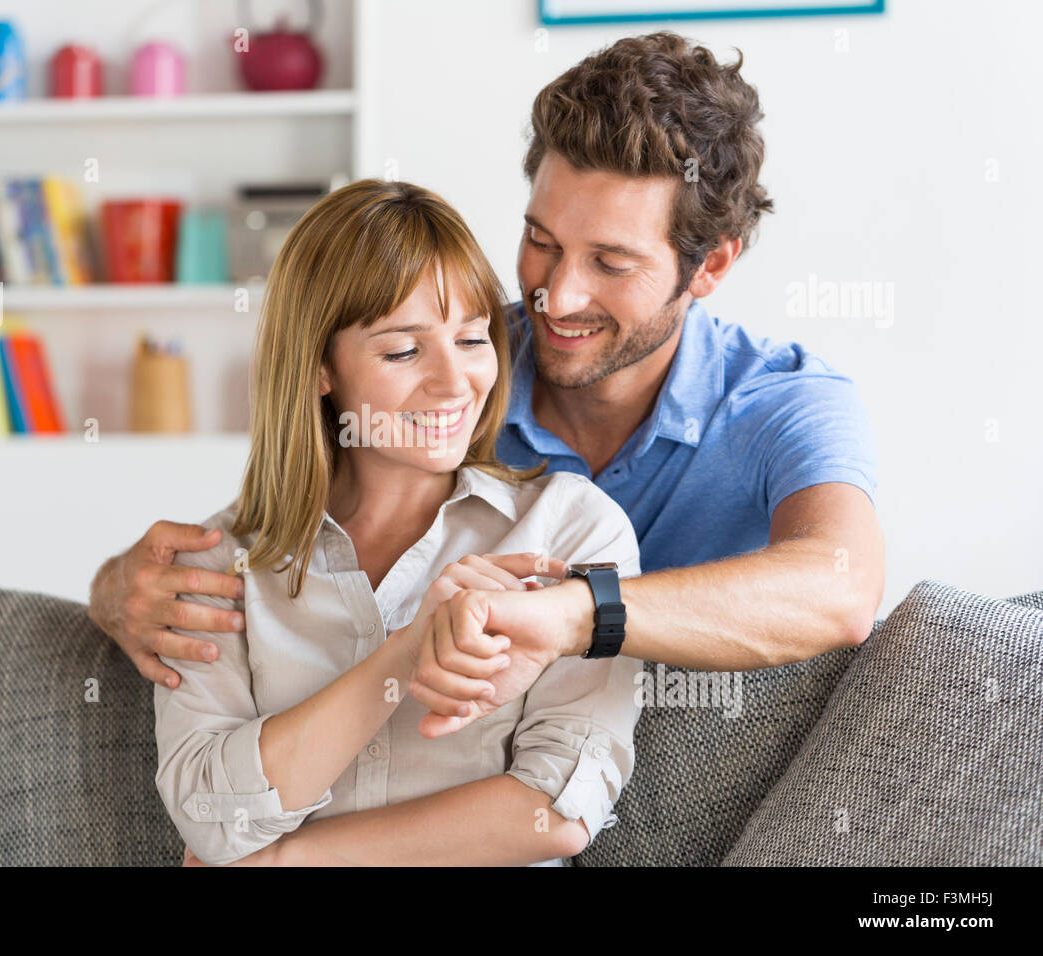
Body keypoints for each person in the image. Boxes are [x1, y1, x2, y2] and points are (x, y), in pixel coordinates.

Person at [92, 33, 883, 734]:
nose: (556, 296)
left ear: (709, 265)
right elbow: (283, 526)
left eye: (611, 262)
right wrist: (112, 587)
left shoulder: (785, 401)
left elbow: (841, 590)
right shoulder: (458, 367)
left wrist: (574, 614)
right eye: (541, 241)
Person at [155, 178, 642, 866]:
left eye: (473, 339)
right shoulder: (217, 563)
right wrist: (409, 651)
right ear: (321, 367)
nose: (453, 382)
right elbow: (206, 809)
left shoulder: (571, 531)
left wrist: (282, 860)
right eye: (403, 351)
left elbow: (558, 806)